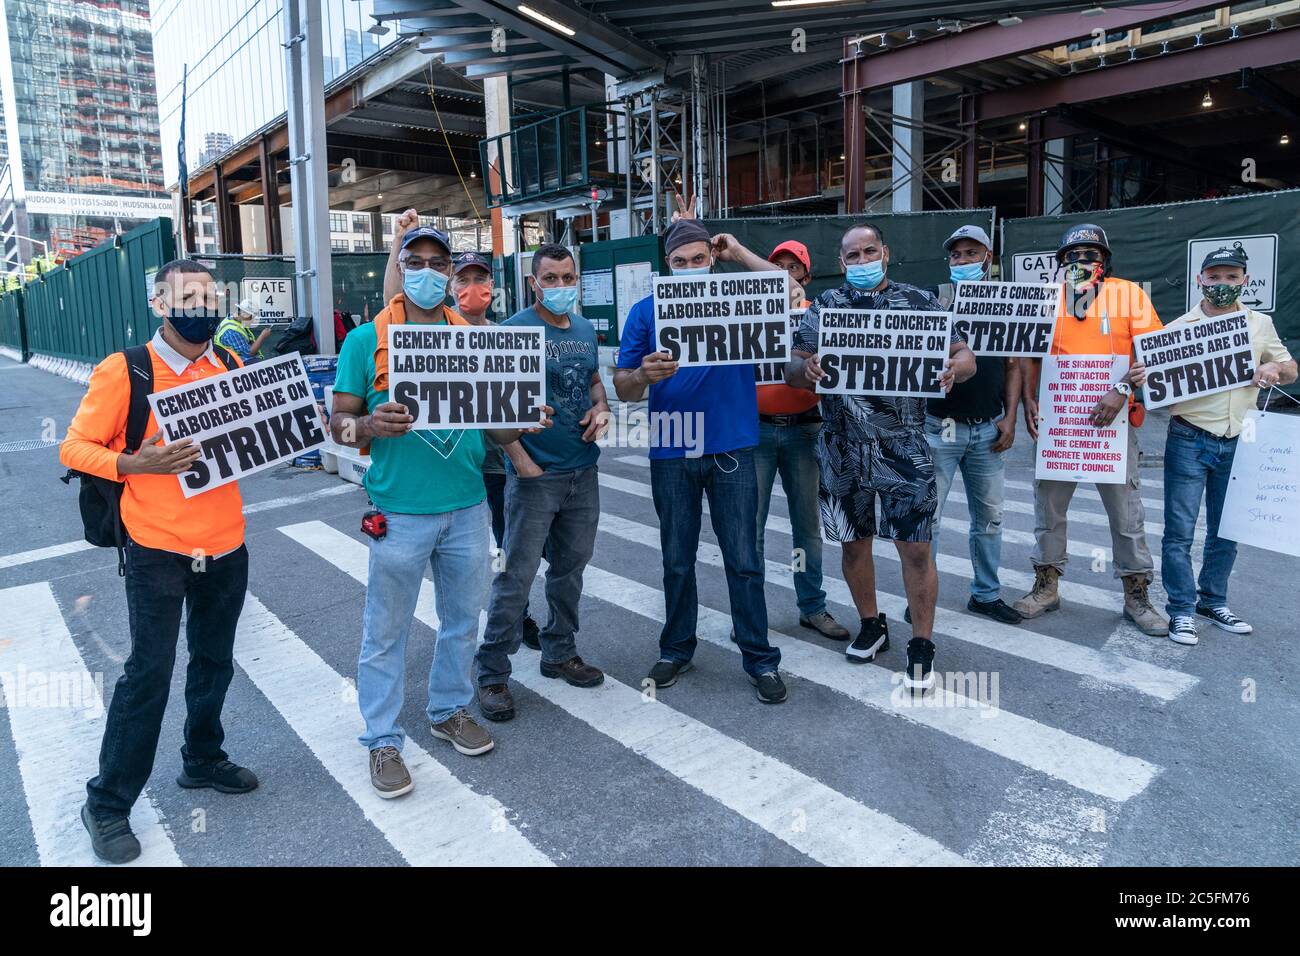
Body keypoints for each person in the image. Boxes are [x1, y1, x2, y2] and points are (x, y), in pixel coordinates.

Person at [332, 225, 549, 797]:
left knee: (461, 621)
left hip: (468, 509)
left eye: (439, 262)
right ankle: (381, 739)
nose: (429, 271)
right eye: (416, 260)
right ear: (401, 269)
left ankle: (449, 709)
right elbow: (338, 422)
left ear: (451, 274)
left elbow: (496, 428)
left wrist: (523, 417)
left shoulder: (473, 338)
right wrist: (370, 426)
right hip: (399, 512)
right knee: (386, 631)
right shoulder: (367, 340)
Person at [61, 259, 257, 864]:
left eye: (209, 295)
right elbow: (73, 446)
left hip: (225, 543)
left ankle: (202, 759)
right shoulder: (126, 371)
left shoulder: (227, 365)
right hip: (157, 548)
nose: (201, 306)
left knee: (215, 660)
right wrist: (133, 465)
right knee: (149, 673)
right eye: (188, 296)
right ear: (160, 303)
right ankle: (108, 803)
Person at [786, 223, 976, 692]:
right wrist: (804, 369)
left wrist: (957, 368)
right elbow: (791, 366)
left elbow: (965, 354)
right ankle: (871, 624)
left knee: (915, 547)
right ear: (842, 262)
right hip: (841, 445)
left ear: (886, 253)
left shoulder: (920, 304)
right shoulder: (826, 307)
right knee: (853, 543)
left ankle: (922, 644)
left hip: (904, 445)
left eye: (870, 250)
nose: (863, 259)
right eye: (853, 255)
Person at [614, 218, 787, 704]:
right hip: (672, 445)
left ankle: (759, 657)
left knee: (744, 560)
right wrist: (643, 375)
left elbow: (786, 288)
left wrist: (737, 250)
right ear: (665, 266)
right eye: (679, 261)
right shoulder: (646, 312)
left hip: (732, 443)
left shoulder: (739, 301)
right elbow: (625, 388)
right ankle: (676, 649)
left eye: (698, 258)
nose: (689, 267)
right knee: (676, 559)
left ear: (711, 259)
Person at [475, 243, 609, 720]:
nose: (559, 287)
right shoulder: (513, 331)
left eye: (566, 278)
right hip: (534, 477)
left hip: (582, 470)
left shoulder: (585, 327)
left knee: (570, 571)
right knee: (516, 576)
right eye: (549, 279)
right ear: (534, 283)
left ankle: (559, 652)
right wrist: (520, 460)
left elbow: (593, 379)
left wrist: (603, 407)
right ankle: (492, 673)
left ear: (577, 279)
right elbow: (493, 406)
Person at [1015, 223, 1167, 636]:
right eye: (1072, 255)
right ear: (1060, 262)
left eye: (1090, 255)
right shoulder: (1047, 300)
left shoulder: (1130, 295)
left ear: (1105, 261)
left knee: (1126, 514)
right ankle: (1047, 587)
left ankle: (1137, 594)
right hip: (1059, 423)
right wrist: (1030, 399)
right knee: (1048, 510)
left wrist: (1121, 390)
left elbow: (1154, 355)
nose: (1081, 262)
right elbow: (1028, 354)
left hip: (1113, 423)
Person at [709, 230, 849, 640]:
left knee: (807, 528)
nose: (784, 274)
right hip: (756, 433)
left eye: (793, 268)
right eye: (778, 265)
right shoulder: (748, 312)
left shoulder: (816, 312)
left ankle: (812, 606)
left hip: (805, 430)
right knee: (748, 528)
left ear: (805, 277)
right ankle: (750, 614)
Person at [1159, 245, 1296, 645]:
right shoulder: (1178, 328)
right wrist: (1145, 381)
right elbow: (1159, 391)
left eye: (1231, 277)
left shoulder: (1260, 324)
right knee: (1179, 531)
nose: (1222, 284)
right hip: (1189, 435)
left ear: (1245, 281)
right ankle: (1181, 610)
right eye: (1214, 277)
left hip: (1240, 437)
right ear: (1200, 279)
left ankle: (1213, 600)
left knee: (1227, 529)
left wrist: (1274, 367)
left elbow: (1290, 369)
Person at [924, 225, 1023, 624]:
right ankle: (922, 597)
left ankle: (985, 594)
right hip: (939, 427)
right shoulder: (932, 300)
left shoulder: (1007, 300)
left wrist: (1010, 417)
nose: (963, 260)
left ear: (988, 256)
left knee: (990, 518)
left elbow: (1015, 364)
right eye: (956, 254)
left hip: (987, 427)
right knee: (928, 520)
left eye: (971, 253)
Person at [450, 249, 543, 647]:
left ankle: (516, 617)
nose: (474, 288)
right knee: (461, 557)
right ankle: (461, 628)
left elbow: (511, 406)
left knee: (510, 547)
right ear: (451, 288)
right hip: (455, 466)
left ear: (492, 286)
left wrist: (519, 457)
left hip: (496, 468)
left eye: (480, 279)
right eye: (463, 280)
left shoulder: (504, 336)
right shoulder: (437, 335)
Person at [215, 298, 272, 363]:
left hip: (232, 357)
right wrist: (262, 336)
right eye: (251, 317)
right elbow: (249, 353)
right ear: (244, 314)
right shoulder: (233, 331)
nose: (252, 320)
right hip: (234, 363)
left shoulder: (234, 319)